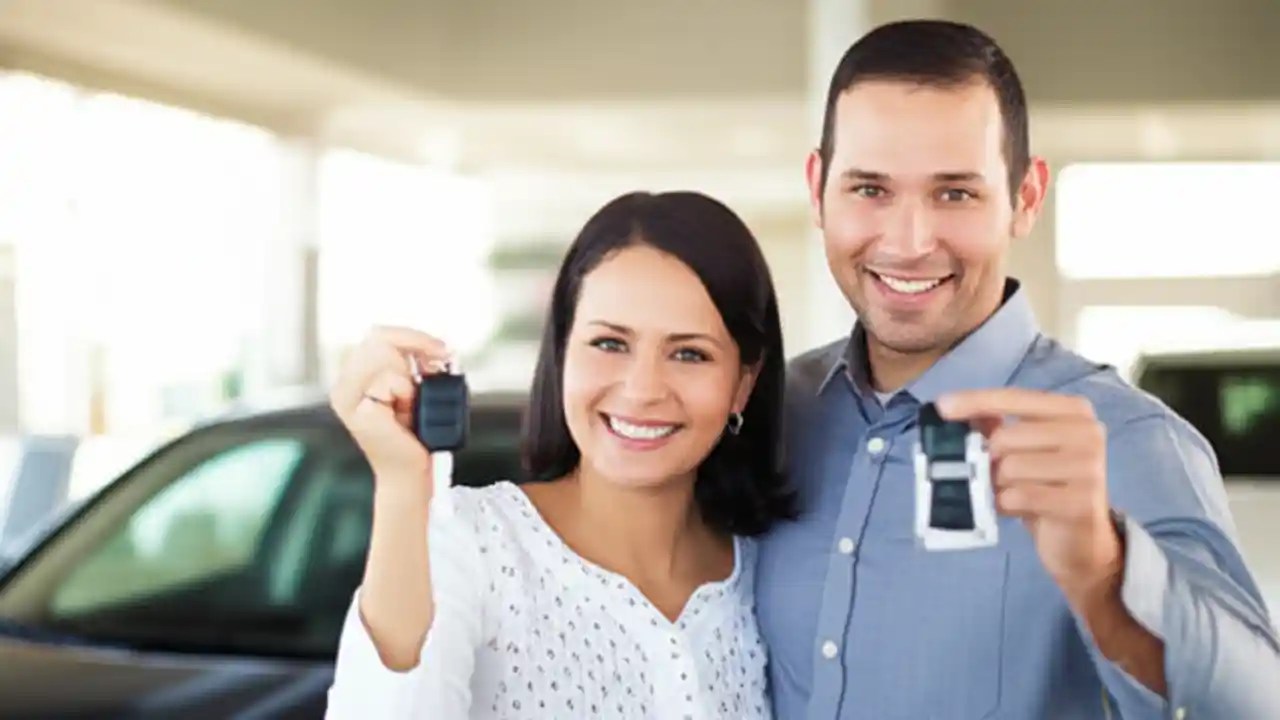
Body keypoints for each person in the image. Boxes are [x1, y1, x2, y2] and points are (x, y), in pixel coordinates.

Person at [756, 19, 1280, 720]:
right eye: (870, 189)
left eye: (955, 194)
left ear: (1025, 198)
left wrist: (1105, 570)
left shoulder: (1130, 439)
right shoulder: (771, 418)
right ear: (819, 187)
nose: (909, 242)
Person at [325, 190, 794, 718]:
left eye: (690, 353)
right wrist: (401, 484)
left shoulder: (770, 574)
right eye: (610, 344)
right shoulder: (471, 545)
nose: (642, 389)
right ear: (562, 353)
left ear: (742, 385)